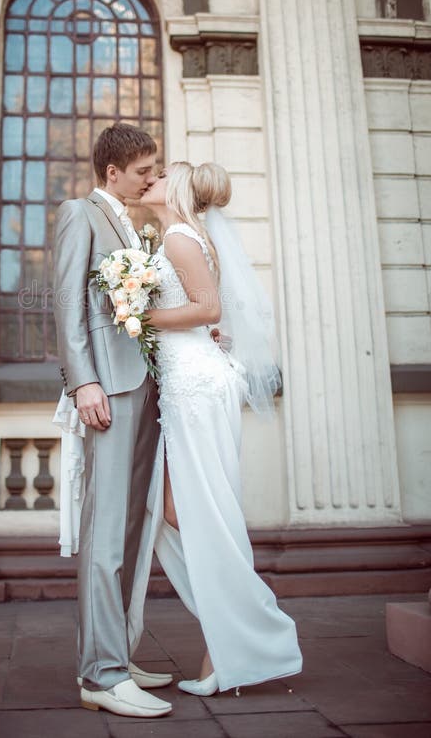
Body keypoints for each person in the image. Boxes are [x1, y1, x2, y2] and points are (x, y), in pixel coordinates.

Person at [134, 160, 303, 695]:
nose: (149, 181)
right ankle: (230, 644)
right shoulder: (181, 237)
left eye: (159, 176)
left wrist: (135, 315)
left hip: (198, 388)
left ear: (177, 189)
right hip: (190, 382)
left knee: (198, 512)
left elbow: (207, 309)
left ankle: (247, 640)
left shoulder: (182, 238)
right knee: (170, 509)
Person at [52, 122, 173, 718]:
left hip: (146, 383)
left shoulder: (133, 220)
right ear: (112, 173)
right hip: (108, 385)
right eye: (145, 170)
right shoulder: (82, 214)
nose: (154, 177)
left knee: (129, 524)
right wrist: (84, 383)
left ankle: (118, 656)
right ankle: (98, 675)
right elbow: (69, 300)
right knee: (104, 530)